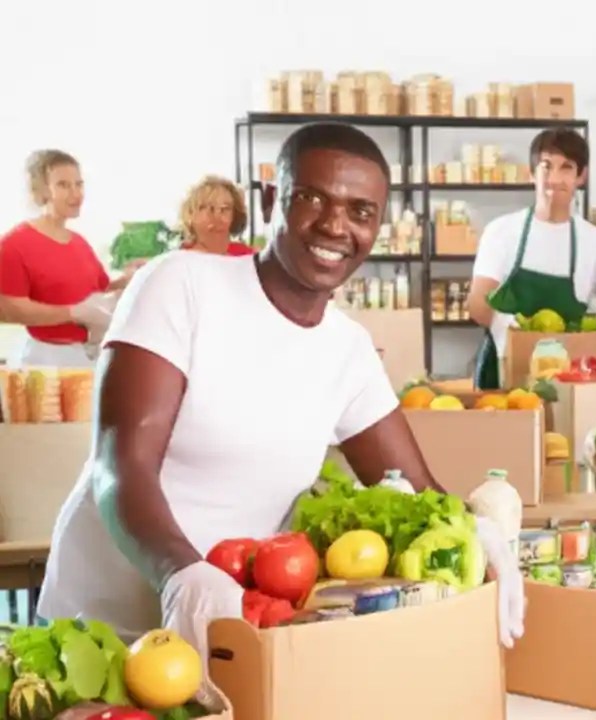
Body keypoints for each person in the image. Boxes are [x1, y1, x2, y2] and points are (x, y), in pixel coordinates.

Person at [38, 123, 524, 696]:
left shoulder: (347, 350)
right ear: (273, 200)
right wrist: (183, 574)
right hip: (102, 634)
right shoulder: (184, 285)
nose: (335, 226)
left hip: (230, 642)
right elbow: (120, 466)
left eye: (361, 211)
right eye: (313, 198)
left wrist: (478, 532)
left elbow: (414, 487)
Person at [466, 127, 596, 389]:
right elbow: (477, 303)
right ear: (531, 173)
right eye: (546, 166)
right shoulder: (502, 232)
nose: (555, 178)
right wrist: (514, 336)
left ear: (581, 176)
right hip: (503, 376)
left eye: (566, 168)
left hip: (570, 381)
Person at [0, 150, 134, 368]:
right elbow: (9, 308)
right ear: (41, 191)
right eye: (63, 185)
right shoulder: (14, 245)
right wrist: (72, 314)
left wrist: (127, 279)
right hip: (43, 361)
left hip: (85, 356)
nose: (76, 193)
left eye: (78, 184)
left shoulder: (78, 242)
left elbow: (95, 289)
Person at [177, 175, 257, 256]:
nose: (217, 217)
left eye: (225, 209)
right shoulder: (178, 261)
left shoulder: (247, 257)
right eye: (207, 208)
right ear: (190, 215)